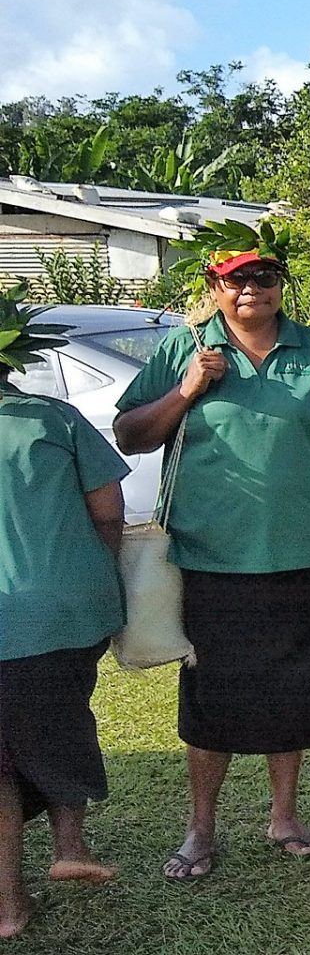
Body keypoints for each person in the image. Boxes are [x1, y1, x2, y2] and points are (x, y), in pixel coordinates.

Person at [113, 224, 310, 881]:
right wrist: (187, 391)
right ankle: (200, 830)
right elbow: (129, 435)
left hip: (309, 552)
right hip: (213, 558)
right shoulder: (184, 348)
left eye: (265, 277)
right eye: (238, 278)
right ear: (215, 286)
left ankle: (284, 816)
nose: (253, 288)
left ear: (280, 284)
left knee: (294, 691)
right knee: (214, 697)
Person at [0, 286, 127, 939]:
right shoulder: (54, 418)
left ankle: (10, 905)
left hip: (28, 615)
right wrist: (89, 577)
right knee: (59, 719)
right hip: (66, 612)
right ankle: (69, 848)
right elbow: (108, 512)